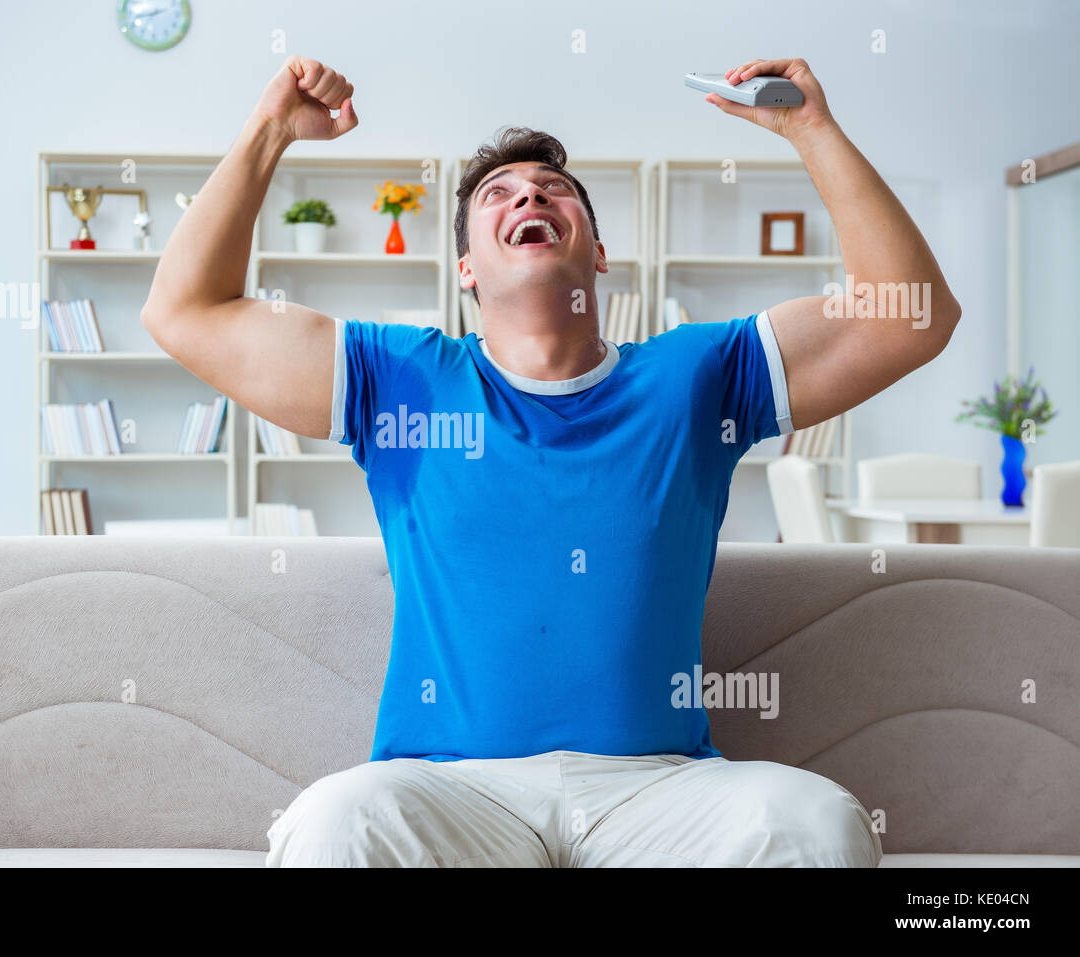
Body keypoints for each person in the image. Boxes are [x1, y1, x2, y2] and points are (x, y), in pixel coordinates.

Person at [142, 56, 960, 867]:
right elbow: (185, 311)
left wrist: (808, 127)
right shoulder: (400, 381)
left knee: (816, 821)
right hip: (452, 791)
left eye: (552, 188)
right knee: (333, 819)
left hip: (658, 791)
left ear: (597, 253)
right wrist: (271, 129)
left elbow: (913, 315)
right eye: (498, 195)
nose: (529, 195)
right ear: (465, 268)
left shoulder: (694, 378)